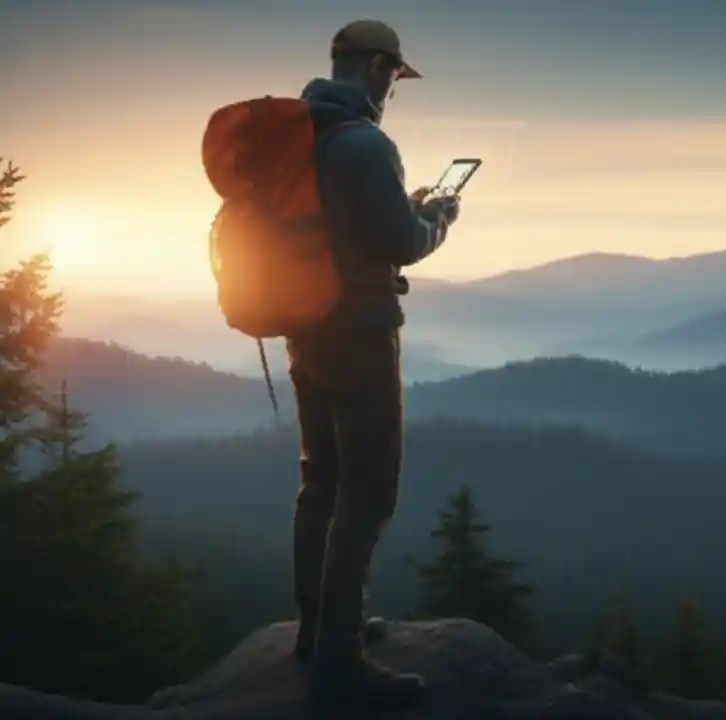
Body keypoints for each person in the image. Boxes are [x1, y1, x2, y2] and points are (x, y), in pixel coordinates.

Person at [288, 19, 460, 708]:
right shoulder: (366, 143)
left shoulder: (299, 134)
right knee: (368, 494)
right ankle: (341, 661)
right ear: (378, 69)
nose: (393, 90)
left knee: (319, 485)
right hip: (360, 334)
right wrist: (439, 218)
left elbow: (344, 225)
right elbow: (401, 243)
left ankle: (317, 633)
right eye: (394, 76)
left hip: (302, 328)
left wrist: (401, 209)